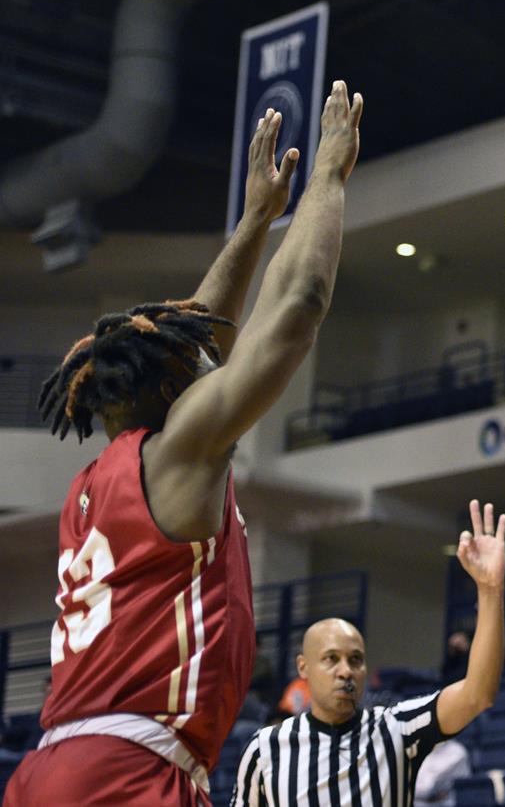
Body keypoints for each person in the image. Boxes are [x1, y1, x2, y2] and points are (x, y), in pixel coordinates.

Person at [3, 84, 362, 807]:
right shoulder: (176, 455)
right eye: (188, 367)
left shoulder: (96, 480)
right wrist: (328, 176)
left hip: (48, 770)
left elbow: (198, 335)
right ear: (172, 391)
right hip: (123, 772)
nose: (203, 360)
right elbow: (296, 309)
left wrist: (257, 220)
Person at [231, 499, 505, 807]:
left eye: (356, 660)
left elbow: (478, 694)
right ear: (303, 667)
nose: (346, 670)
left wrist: (490, 590)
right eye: (331, 659)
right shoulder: (265, 747)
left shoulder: (397, 729)